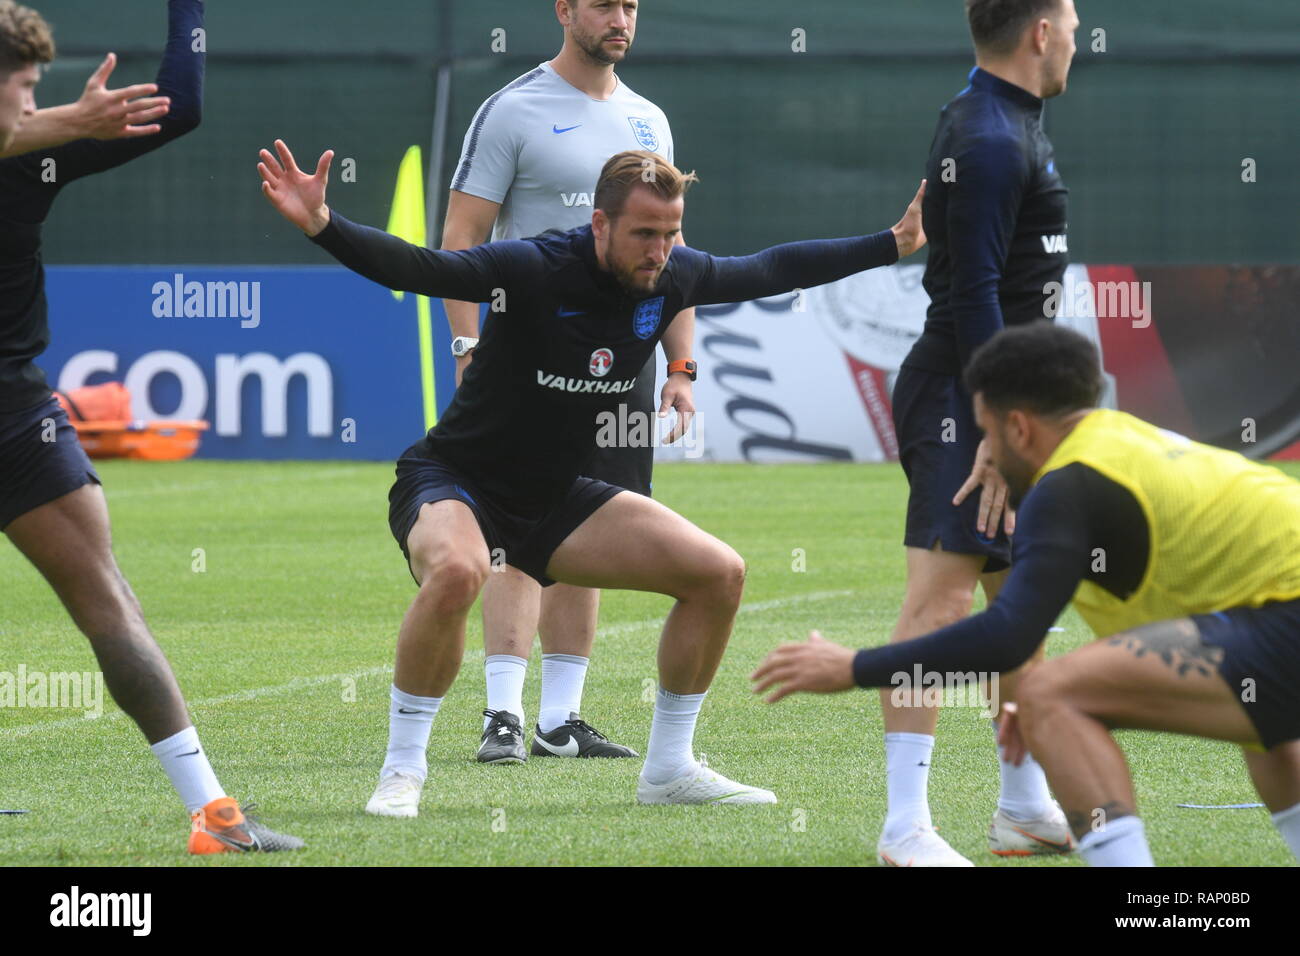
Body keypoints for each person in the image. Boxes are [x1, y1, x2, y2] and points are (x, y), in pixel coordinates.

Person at [259, 137, 927, 814]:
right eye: (643, 233)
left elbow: (773, 267)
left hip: (553, 498)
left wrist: (891, 242)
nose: (659, 250)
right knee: (460, 572)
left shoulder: (672, 276)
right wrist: (323, 224)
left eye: (670, 234)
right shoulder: (532, 266)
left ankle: (669, 769)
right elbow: (421, 267)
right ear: (600, 224)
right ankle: (402, 769)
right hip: (456, 479)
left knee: (719, 575)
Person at [753, 321, 1300, 867]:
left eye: (984, 431)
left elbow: (1008, 636)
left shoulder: (1066, 485)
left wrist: (853, 666)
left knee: (1049, 693)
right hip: (1277, 623)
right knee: (1272, 741)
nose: (984, 450)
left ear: (1017, 426)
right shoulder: (1120, 442)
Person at [0, 0, 301, 854]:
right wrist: (66, 119)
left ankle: (213, 814)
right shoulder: (46, 140)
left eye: (34, 90)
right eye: (17, 90)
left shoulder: (38, 154)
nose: (30, 107)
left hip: (15, 413)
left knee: (111, 603)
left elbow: (182, 104)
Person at [442, 0, 694, 765]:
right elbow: (461, 240)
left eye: (630, 5)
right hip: (530, 360)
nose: (619, 17)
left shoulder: (650, 120)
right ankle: (502, 715)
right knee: (516, 534)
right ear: (564, 10)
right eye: (603, 4)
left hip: (621, 360)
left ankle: (562, 720)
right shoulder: (511, 109)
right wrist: (466, 342)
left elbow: (672, 259)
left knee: (591, 526)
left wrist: (680, 367)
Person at [875, 0, 1079, 866]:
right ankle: (903, 828)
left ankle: (1025, 809)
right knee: (940, 602)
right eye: (1072, 18)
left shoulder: (1000, 118)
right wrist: (994, 422)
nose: (1077, 34)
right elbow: (974, 295)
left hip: (998, 402)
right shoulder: (991, 134)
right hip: (968, 399)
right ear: (1040, 31)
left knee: (1016, 604)